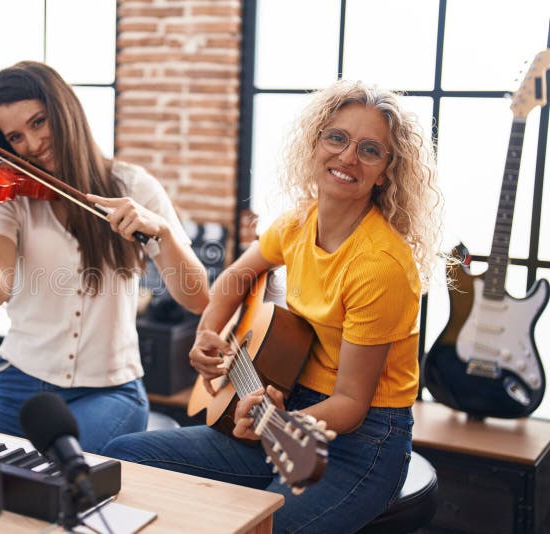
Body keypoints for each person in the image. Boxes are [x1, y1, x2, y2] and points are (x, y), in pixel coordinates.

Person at [102, 79, 444, 531]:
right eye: (336, 138)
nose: (346, 157)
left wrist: (273, 420)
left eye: (369, 150)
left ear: (385, 172)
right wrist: (209, 330)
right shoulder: (299, 222)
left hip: (360, 445)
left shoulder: (380, 266)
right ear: (316, 142)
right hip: (289, 402)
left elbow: (350, 403)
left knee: (254, 526)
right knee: (121, 459)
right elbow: (235, 278)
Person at [0, 61, 209, 453]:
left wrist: (161, 231)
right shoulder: (10, 198)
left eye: (39, 122)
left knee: (64, 479)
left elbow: (196, 297)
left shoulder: (133, 186)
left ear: (65, 111)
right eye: (15, 137)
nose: (32, 144)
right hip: (18, 382)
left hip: (109, 391)